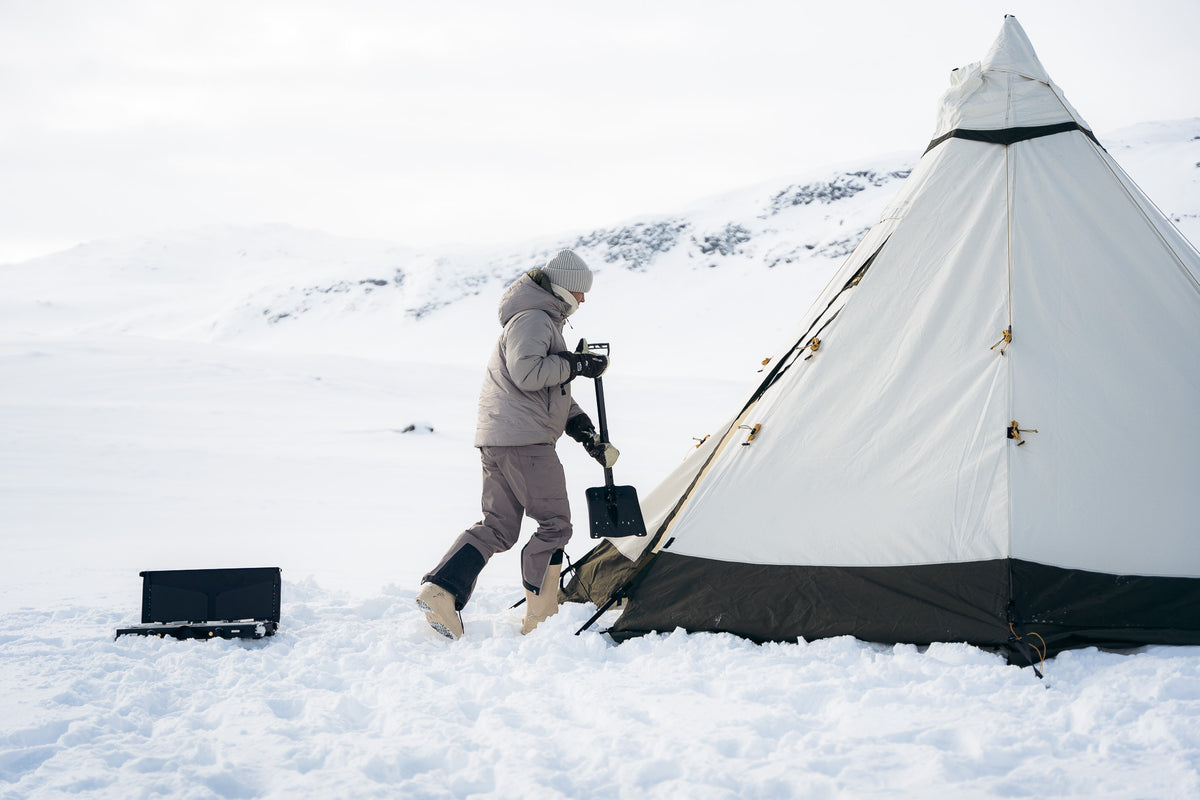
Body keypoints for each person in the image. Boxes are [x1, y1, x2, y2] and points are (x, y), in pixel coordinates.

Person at [416, 250, 618, 639]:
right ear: (562, 288)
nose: (583, 300)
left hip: (503, 438)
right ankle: (541, 618)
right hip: (525, 443)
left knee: (498, 526)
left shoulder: (534, 319)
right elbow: (528, 374)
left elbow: (549, 390)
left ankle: (440, 591)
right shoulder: (533, 319)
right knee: (555, 524)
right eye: (580, 292)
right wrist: (577, 364)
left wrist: (584, 432)